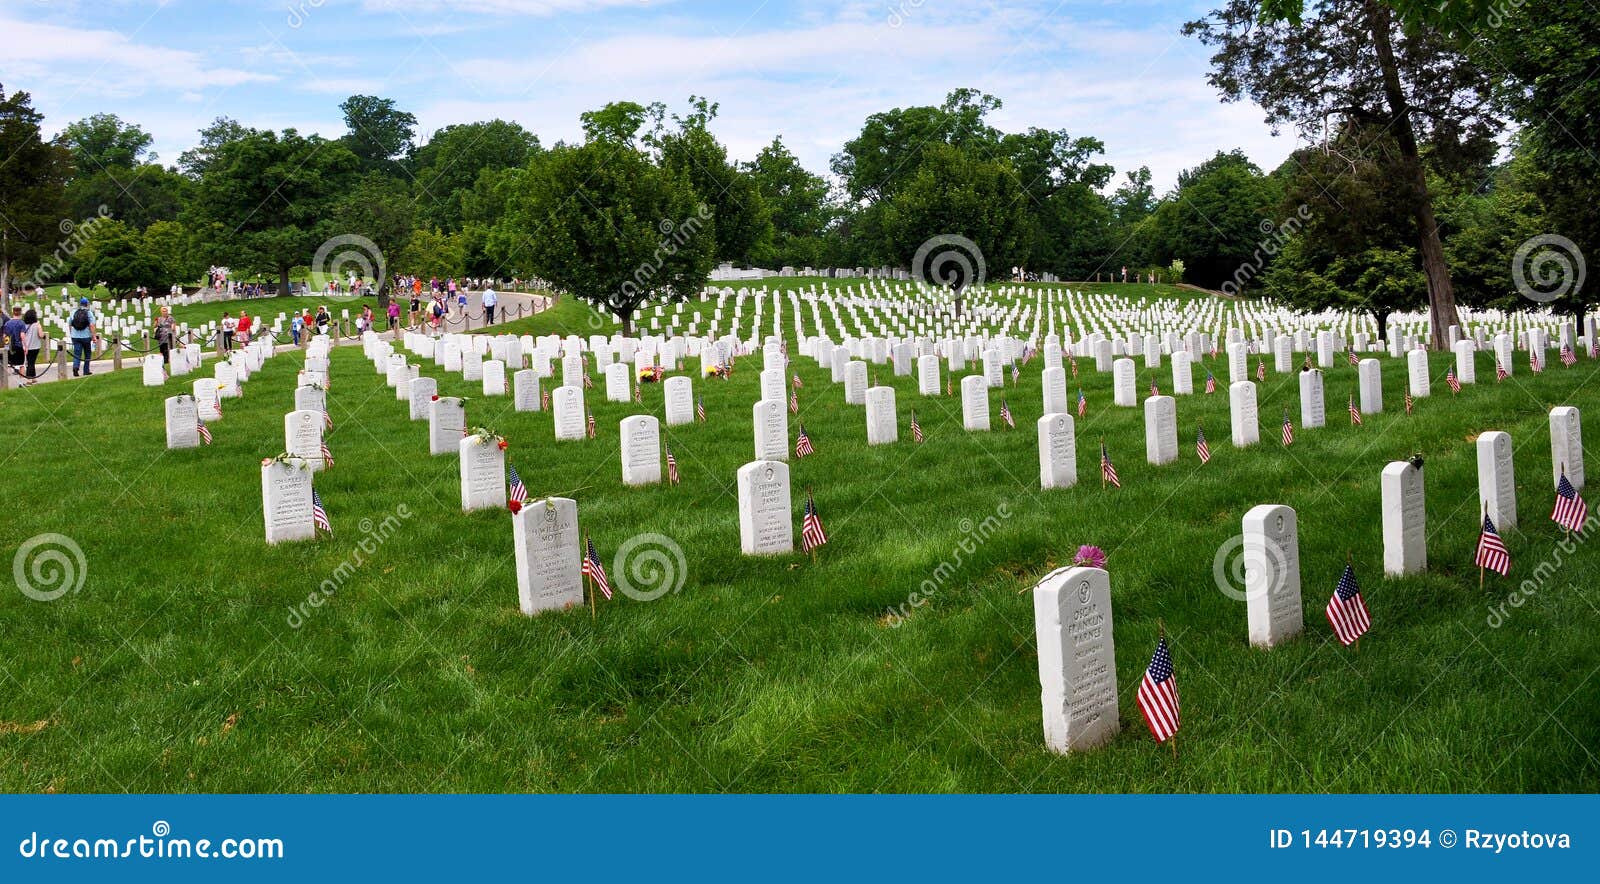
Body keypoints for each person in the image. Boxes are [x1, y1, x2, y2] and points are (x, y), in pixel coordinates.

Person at [67, 297, 98, 376]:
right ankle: (86, 370)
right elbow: (91, 325)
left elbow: (70, 323)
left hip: (75, 336)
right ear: (87, 304)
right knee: (87, 353)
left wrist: (71, 334)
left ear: (80, 304)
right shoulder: (89, 313)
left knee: (77, 353)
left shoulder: (73, 312)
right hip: (86, 336)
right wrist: (94, 336)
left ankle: (76, 367)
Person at [22, 308, 43, 385]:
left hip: (26, 346)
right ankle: (30, 379)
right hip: (35, 346)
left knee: (30, 362)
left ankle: (33, 378)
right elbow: (41, 335)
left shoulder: (23, 325)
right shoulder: (37, 325)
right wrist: (40, 327)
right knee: (31, 363)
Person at [3, 306, 24, 378]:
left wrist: (6, 346)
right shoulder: (21, 323)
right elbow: (22, 336)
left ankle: (7, 381)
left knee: (10, 364)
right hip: (19, 346)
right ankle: (21, 382)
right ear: (20, 312)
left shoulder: (7, 323)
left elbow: (5, 336)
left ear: (13, 312)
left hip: (9, 346)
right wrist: (25, 346)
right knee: (21, 365)